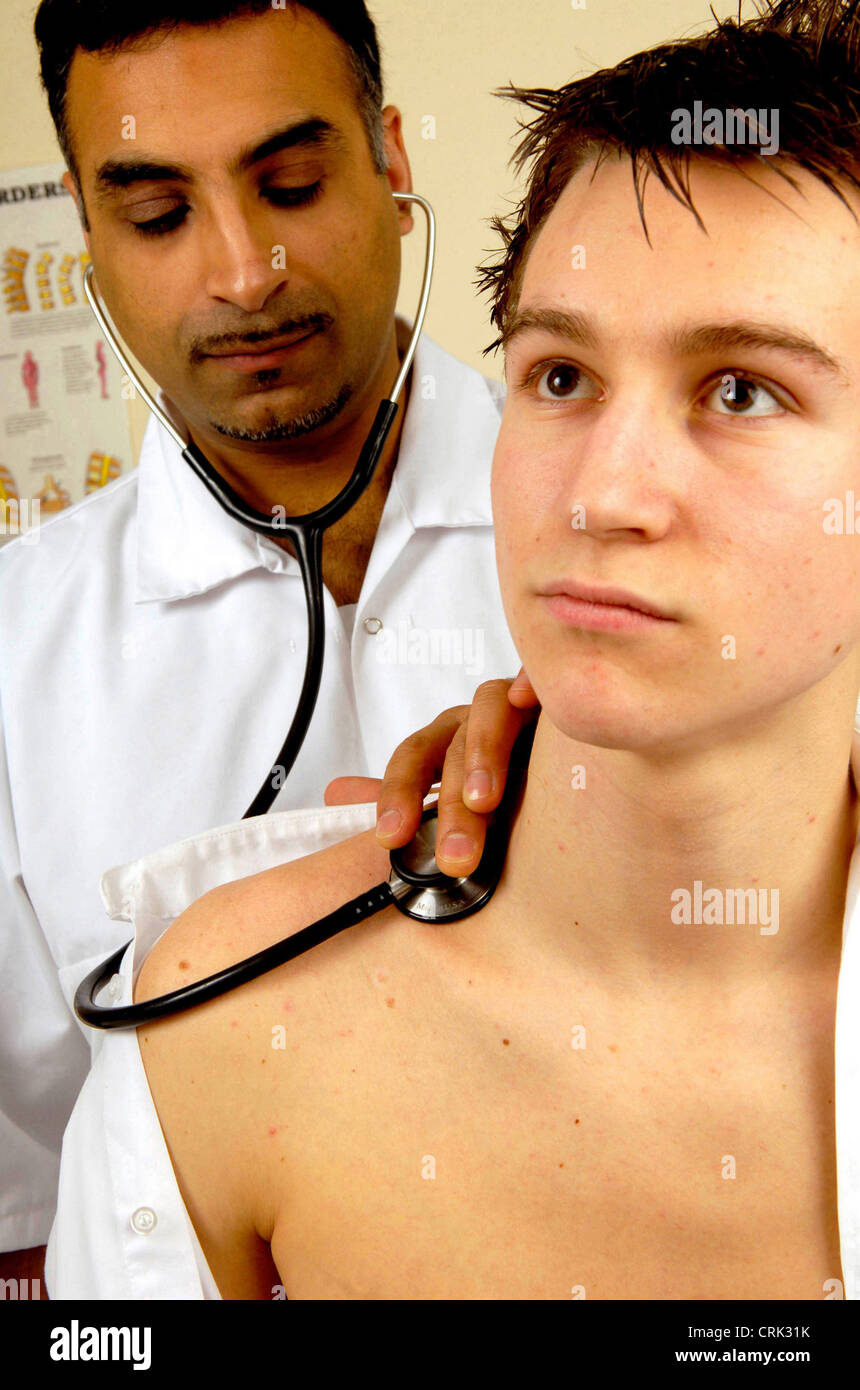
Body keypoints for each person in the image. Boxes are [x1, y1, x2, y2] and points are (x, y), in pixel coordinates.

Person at [48, 0, 860, 1299]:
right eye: (560, 377)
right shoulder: (211, 1027)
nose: (601, 493)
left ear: (389, 162)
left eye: (742, 391)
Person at [0, 0, 523, 1286]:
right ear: (87, 228)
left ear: (392, 161)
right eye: (159, 215)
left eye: (290, 183)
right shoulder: (17, 648)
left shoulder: (650, 549)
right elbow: (26, 1204)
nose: (243, 272)